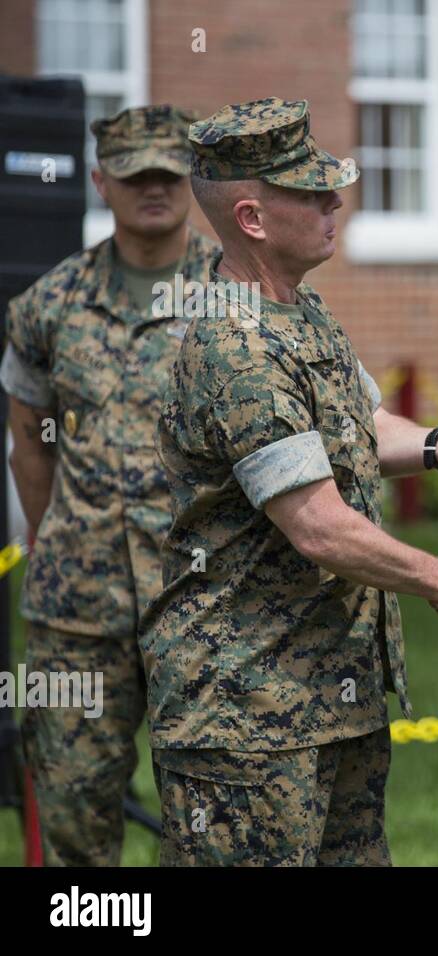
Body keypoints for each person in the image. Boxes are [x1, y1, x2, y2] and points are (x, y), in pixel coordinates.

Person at [139, 97, 438, 866]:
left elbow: (357, 426)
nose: (334, 201)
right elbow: (320, 527)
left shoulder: (300, 314)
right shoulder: (235, 345)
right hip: (246, 716)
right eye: (311, 191)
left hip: (330, 698)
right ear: (254, 218)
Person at [2, 105, 219, 865]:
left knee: (212, 821)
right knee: (73, 812)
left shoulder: (238, 297)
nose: (152, 189)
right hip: (77, 616)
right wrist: (59, 537)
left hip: (203, 605)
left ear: (190, 178)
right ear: (101, 180)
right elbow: (29, 438)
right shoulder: (49, 306)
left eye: (167, 173)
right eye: (134, 175)